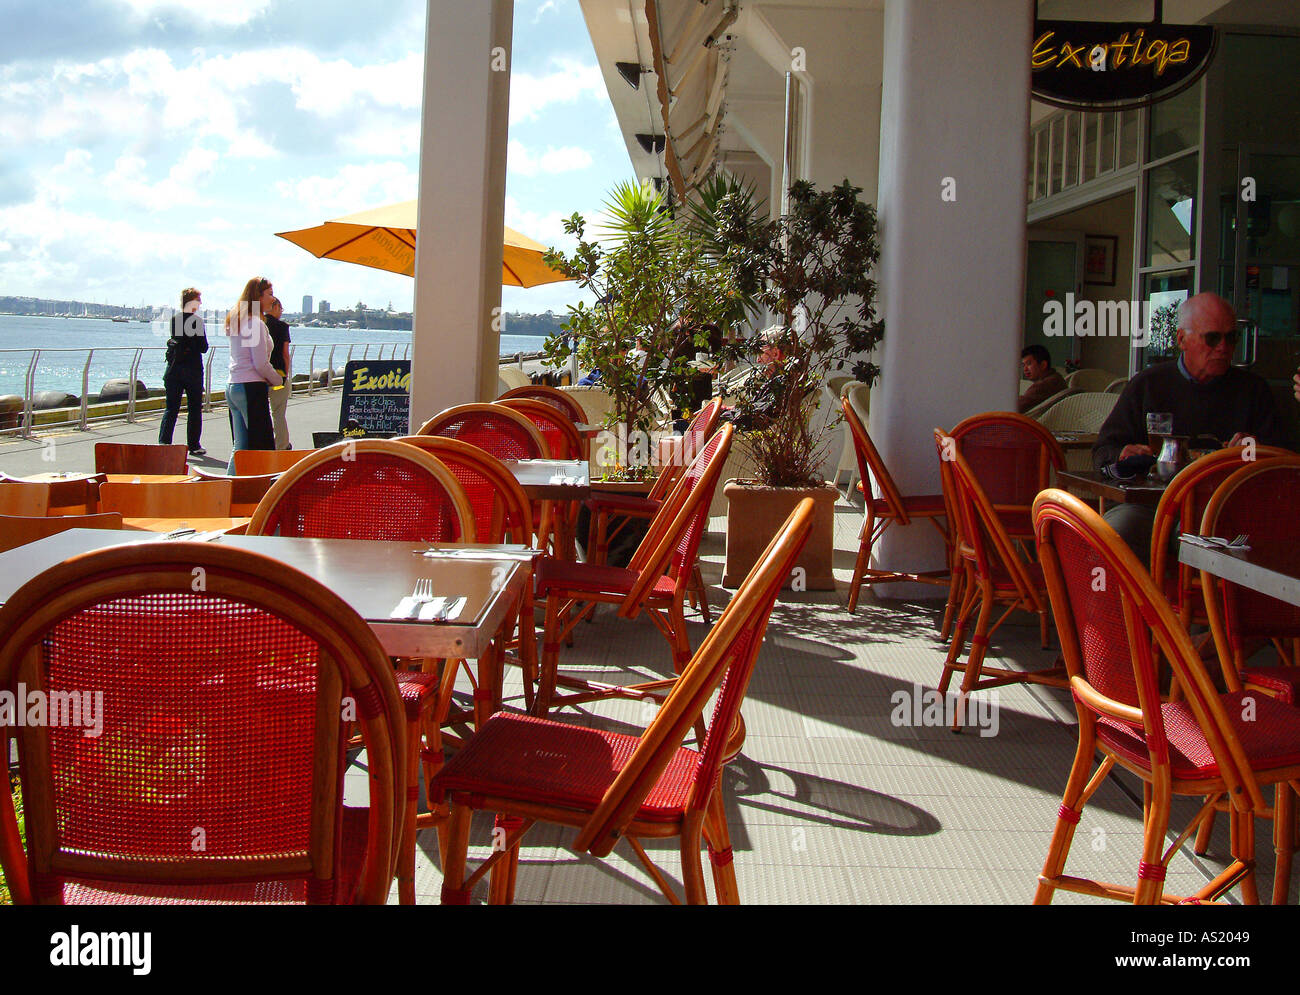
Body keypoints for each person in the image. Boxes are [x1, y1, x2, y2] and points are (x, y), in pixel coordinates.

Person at [1092, 291, 1284, 560]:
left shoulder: (1253, 391)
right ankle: (1122, 603)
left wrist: (1254, 450)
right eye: (1213, 338)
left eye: (1231, 337)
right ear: (1182, 339)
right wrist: (1123, 453)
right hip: (1151, 506)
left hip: (1220, 508)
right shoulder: (1148, 384)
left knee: (1237, 546)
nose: (1223, 347)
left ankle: (1203, 602)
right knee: (1115, 534)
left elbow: (1282, 462)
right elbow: (1102, 452)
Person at [224, 276, 282, 474]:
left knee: (240, 446)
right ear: (258, 297)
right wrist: (278, 380)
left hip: (233, 385)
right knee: (261, 446)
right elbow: (260, 363)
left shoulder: (237, 321)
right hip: (250, 388)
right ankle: (261, 492)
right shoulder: (256, 324)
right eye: (270, 295)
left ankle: (229, 488)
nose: (273, 300)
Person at [158, 287, 209, 455]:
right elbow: (203, 347)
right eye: (198, 299)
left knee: (171, 407)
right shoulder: (197, 322)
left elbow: (178, 339)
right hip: (192, 370)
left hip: (174, 368)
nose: (200, 303)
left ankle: (164, 443)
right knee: (194, 408)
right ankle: (193, 445)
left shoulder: (175, 319)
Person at [264, 296, 292, 449]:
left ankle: (264, 445)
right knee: (278, 412)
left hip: (259, 375)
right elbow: (285, 353)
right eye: (281, 308)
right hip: (278, 374)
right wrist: (285, 375)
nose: (281, 312)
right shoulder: (282, 327)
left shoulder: (259, 324)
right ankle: (282, 445)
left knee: (262, 412)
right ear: (275, 307)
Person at [1017, 344, 1066, 413]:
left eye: (1028, 364)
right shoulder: (1056, 378)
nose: (1025, 369)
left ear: (1043, 365)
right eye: (1023, 365)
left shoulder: (1045, 385)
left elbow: (1016, 407)